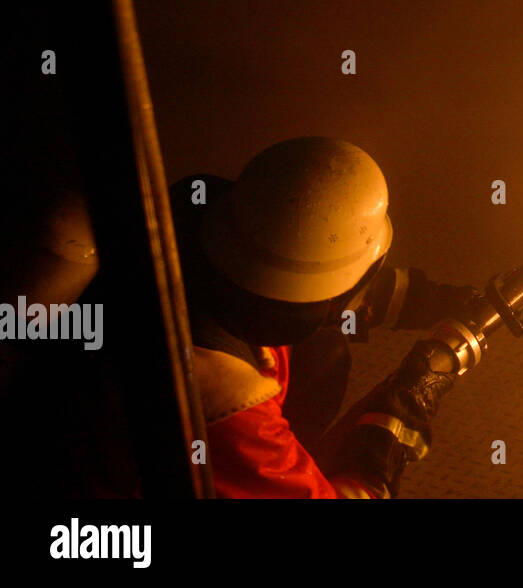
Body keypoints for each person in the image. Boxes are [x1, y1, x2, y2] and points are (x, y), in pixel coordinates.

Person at [170, 137, 474, 498]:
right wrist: (407, 402)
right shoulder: (232, 405)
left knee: (323, 347)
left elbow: (315, 280)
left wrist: (436, 301)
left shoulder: (201, 225)